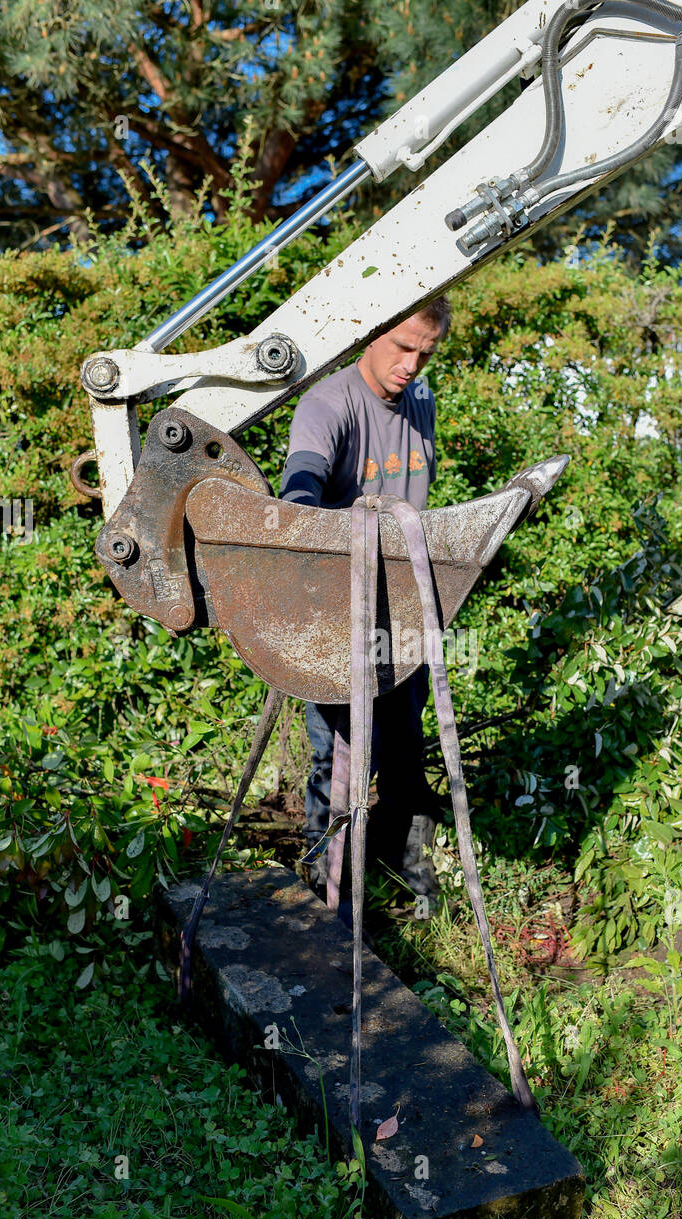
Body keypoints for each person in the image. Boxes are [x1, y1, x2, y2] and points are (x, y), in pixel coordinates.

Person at [280, 297, 451, 907]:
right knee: (336, 751)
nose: (412, 365)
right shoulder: (329, 403)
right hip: (337, 611)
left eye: (425, 354)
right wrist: (302, 502)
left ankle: (406, 871)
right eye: (403, 347)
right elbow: (303, 476)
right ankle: (323, 877)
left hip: (404, 609)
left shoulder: (421, 401)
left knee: (405, 744)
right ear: (371, 331)